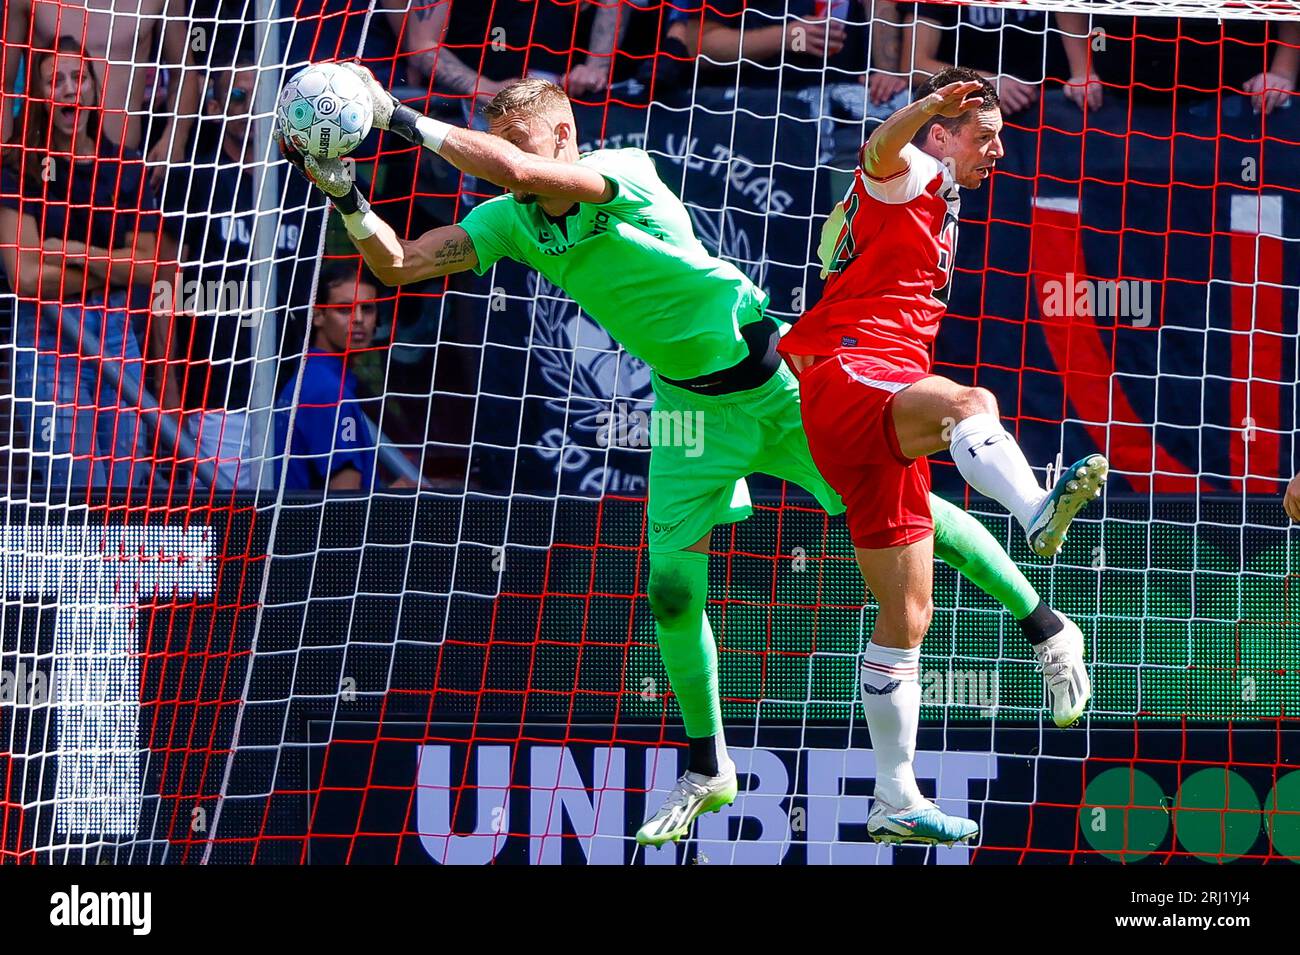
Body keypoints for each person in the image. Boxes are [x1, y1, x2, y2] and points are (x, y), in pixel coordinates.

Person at [278, 67, 1092, 847]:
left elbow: (530, 172)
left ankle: (1047, 624)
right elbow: (398, 261)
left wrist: (398, 116)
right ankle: (707, 765)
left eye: (527, 153)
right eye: (510, 165)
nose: (517, 180)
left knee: (907, 518)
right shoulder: (511, 219)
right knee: (670, 588)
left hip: (770, 379)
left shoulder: (617, 169)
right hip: (686, 413)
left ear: (564, 135)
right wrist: (344, 189)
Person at [779, 68, 1107, 844]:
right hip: (855, 371)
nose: (997, 150)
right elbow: (877, 151)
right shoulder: (913, 169)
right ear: (943, 134)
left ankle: (893, 796)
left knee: (908, 615)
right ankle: (1035, 512)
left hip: (860, 410)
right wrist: (925, 104)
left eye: (997, 136)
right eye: (984, 135)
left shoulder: (935, 196)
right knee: (971, 405)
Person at [0, 37, 177, 490]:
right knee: (75, 488)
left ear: (95, 91)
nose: (67, 89)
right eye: (53, 81)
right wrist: (111, 264)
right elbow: (26, 278)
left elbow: (151, 267)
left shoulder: (123, 166)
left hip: (116, 328)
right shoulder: (17, 167)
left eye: (78, 78)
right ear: (40, 96)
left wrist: (63, 248)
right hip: (46, 338)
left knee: (125, 485)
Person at [163, 57, 326, 491]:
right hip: (216, 394)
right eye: (237, 95)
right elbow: (166, 289)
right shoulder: (193, 180)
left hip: (290, 397)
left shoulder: (306, 186)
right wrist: (170, 393)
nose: (252, 105)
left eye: (263, 95)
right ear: (214, 107)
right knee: (227, 534)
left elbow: (314, 290)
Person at [2, 0, 204, 188]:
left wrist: (176, 136)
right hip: (47, 162)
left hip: (121, 167)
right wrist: (5, 158)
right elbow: (5, 84)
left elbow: (184, 72)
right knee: (46, 223)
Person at [275, 263, 382, 492]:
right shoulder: (328, 391)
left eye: (368, 309)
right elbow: (344, 497)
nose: (358, 319)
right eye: (344, 309)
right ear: (318, 316)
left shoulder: (311, 376)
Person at [900, 2, 1072, 115]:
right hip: (970, 111)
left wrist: (1082, 74)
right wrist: (986, 82)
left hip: (1054, 103)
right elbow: (914, 66)